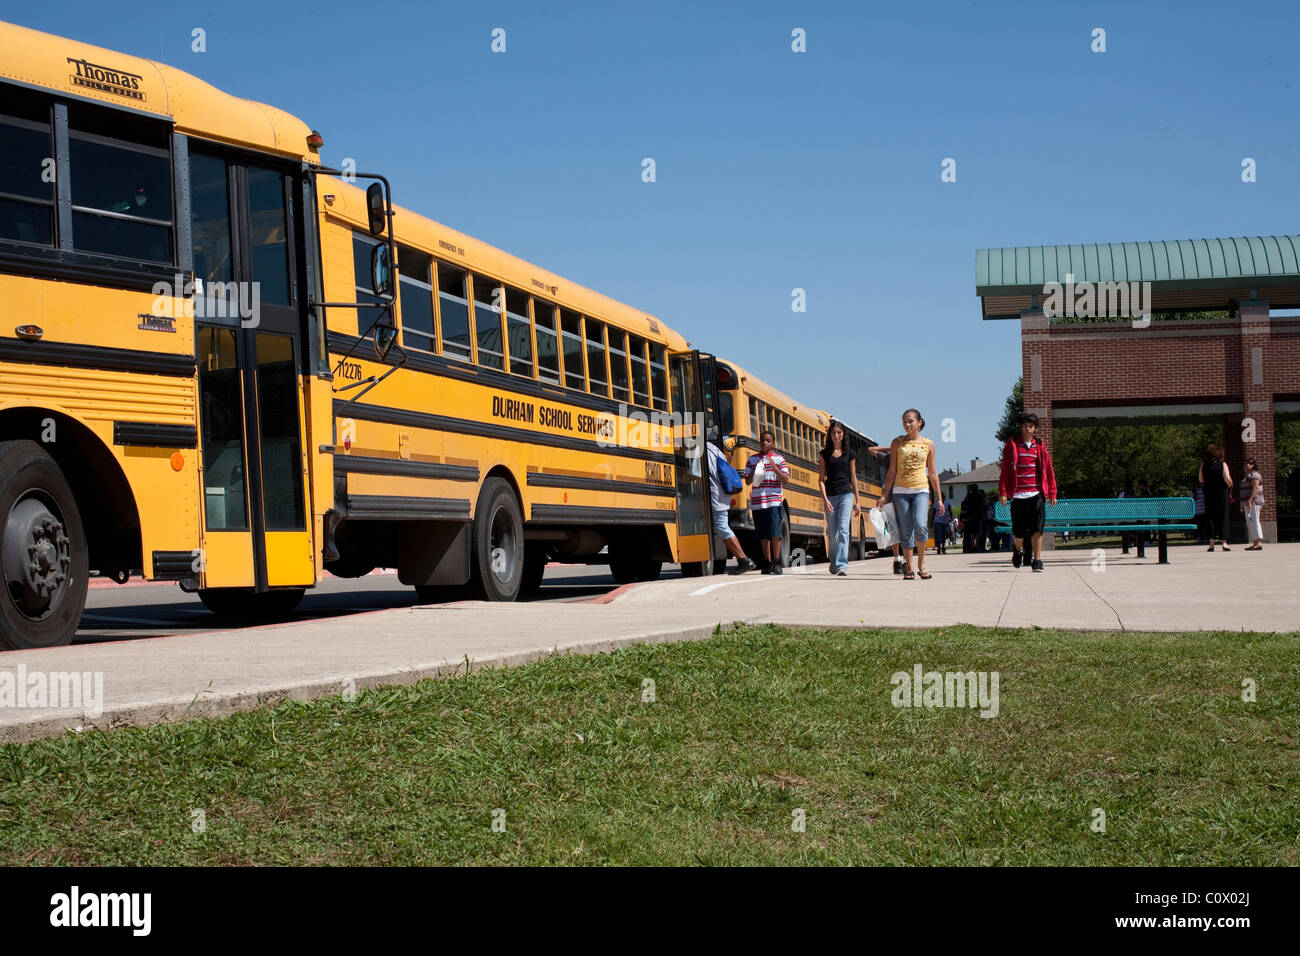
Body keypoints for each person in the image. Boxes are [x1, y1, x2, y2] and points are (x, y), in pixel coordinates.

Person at [880, 408, 943, 580]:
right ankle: (909, 568)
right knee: (906, 530)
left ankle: (922, 565)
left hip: (921, 490)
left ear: (919, 423)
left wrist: (939, 497)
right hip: (900, 491)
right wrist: (885, 494)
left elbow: (933, 472)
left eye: (910, 421)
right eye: (904, 422)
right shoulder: (897, 443)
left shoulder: (928, 444)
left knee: (921, 524)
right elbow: (892, 470)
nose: (907, 424)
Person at [997, 411, 1058, 572]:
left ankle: (1037, 561)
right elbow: (1005, 472)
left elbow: (1049, 471)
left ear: (1035, 429)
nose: (1027, 429)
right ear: (1021, 427)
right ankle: (1017, 549)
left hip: (1036, 495)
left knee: (1037, 529)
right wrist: (1003, 491)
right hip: (1018, 496)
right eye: (1025, 426)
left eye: (1031, 426)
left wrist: (1052, 492)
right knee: (1018, 532)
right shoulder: (1012, 447)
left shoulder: (1040, 448)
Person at [707, 436, 757, 574]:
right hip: (721, 494)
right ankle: (743, 560)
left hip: (715, 494)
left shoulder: (703, 450)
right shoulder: (714, 449)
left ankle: (744, 559)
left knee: (722, 526)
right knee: (720, 526)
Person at [743, 429, 791, 574]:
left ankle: (777, 562)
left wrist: (774, 468)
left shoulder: (779, 459)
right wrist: (755, 470)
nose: (764, 442)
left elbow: (786, 479)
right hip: (758, 501)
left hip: (774, 500)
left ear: (773, 443)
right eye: (762, 440)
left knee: (775, 532)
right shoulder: (752, 459)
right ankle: (767, 562)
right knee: (763, 534)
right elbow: (747, 480)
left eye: (768, 441)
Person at [818, 420, 860, 576]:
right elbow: (821, 479)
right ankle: (834, 562)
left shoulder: (850, 454)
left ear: (843, 435)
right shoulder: (824, 454)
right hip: (830, 496)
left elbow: (853, 478)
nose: (837, 435)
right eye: (834, 433)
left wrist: (858, 501)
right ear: (830, 435)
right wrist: (825, 499)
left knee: (843, 530)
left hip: (846, 495)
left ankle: (842, 564)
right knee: (833, 532)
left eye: (839, 433)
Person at [869, 445, 903, 573]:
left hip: (905, 497)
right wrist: (892, 448)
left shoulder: (908, 459)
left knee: (905, 530)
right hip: (890, 497)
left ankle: (905, 560)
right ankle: (897, 559)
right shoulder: (889, 457)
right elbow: (871, 449)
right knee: (893, 530)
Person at [1198, 443, 1231, 552]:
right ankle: (1224, 543)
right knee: (1223, 517)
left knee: (1210, 517)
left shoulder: (1204, 465)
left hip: (1209, 493)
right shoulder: (1222, 464)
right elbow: (1227, 479)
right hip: (1221, 493)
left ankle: (1211, 544)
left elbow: (1201, 480)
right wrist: (1230, 484)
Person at [1241, 456, 1265, 550]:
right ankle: (1255, 543)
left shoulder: (1255, 475)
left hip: (1254, 503)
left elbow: (1255, 487)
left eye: (1247, 464)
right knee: (1250, 521)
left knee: (1254, 520)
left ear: (1252, 465)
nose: (1245, 466)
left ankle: (1258, 542)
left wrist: (1250, 499)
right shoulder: (1248, 475)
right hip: (1248, 504)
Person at [960, 486, 984, 553]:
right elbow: (982, 506)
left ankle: (971, 546)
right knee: (977, 533)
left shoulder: (967, 500)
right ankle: (976, 546)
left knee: (970, 534)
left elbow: (963, 510)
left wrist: (962, 518)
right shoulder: (978, 498)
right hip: (976, 517)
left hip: (968, 518)